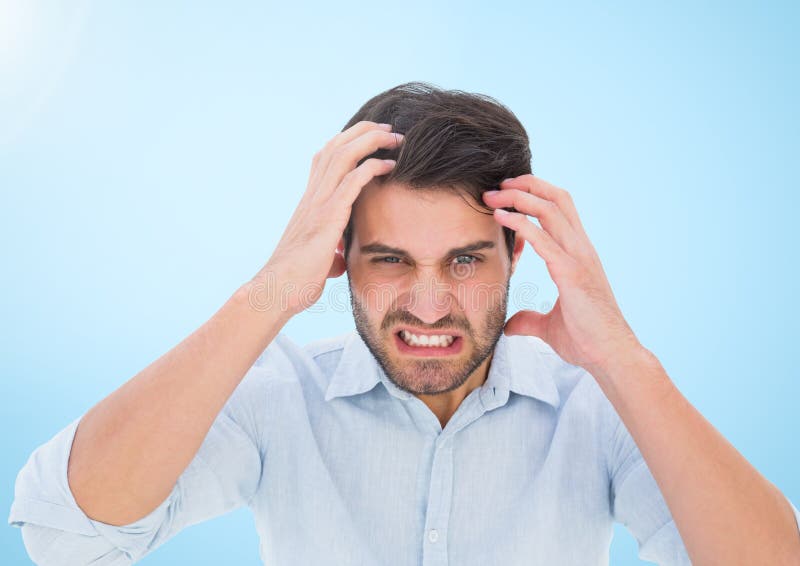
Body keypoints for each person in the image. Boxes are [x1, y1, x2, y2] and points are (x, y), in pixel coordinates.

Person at [8, 82, 800, 565]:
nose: (428, 307)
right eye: (389, 260)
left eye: (464, 261)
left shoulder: (595, 407)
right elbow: (68, 535)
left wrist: (623, 357)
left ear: (517, 252)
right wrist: (270, 291)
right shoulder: (281, 398)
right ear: (339, 256)